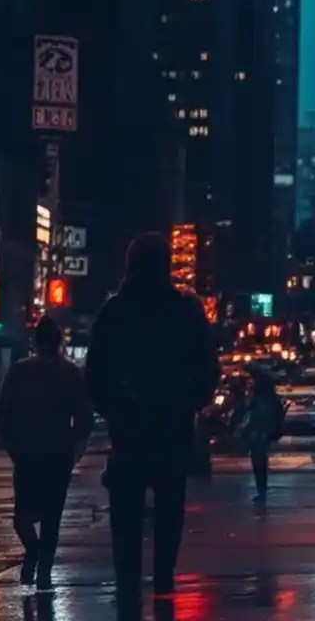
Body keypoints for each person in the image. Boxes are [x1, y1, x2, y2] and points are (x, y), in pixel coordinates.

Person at [86, 233, 219, 608]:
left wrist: (115, 409)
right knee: (169, 508)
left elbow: (95, 375)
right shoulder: (186, 311)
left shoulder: (114, 312)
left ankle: (128, 582)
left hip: (129, 429)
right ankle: (163, 579)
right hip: (172, 428)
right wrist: (188, 405)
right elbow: (208, 370)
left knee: (126, 513)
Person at [0, 316, 93, 591]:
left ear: (35, 341)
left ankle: (34, 552)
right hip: (58, 454)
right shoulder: (71, 373)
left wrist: (13, 445)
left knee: (23, 515)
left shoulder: (19, 372)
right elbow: (84, 416)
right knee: (52, 516)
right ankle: (44, 568)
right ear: (59, 342)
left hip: (27, 453)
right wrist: (74, 447)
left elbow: (3, 414)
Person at [240, 366, 286, 503]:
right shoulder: (267, 398)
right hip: (261, 432)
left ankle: (262, 490)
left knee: (259, 462)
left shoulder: (261, 399)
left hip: (259, 432)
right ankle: (262, 490)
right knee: (259, 462)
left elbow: (257, 416)